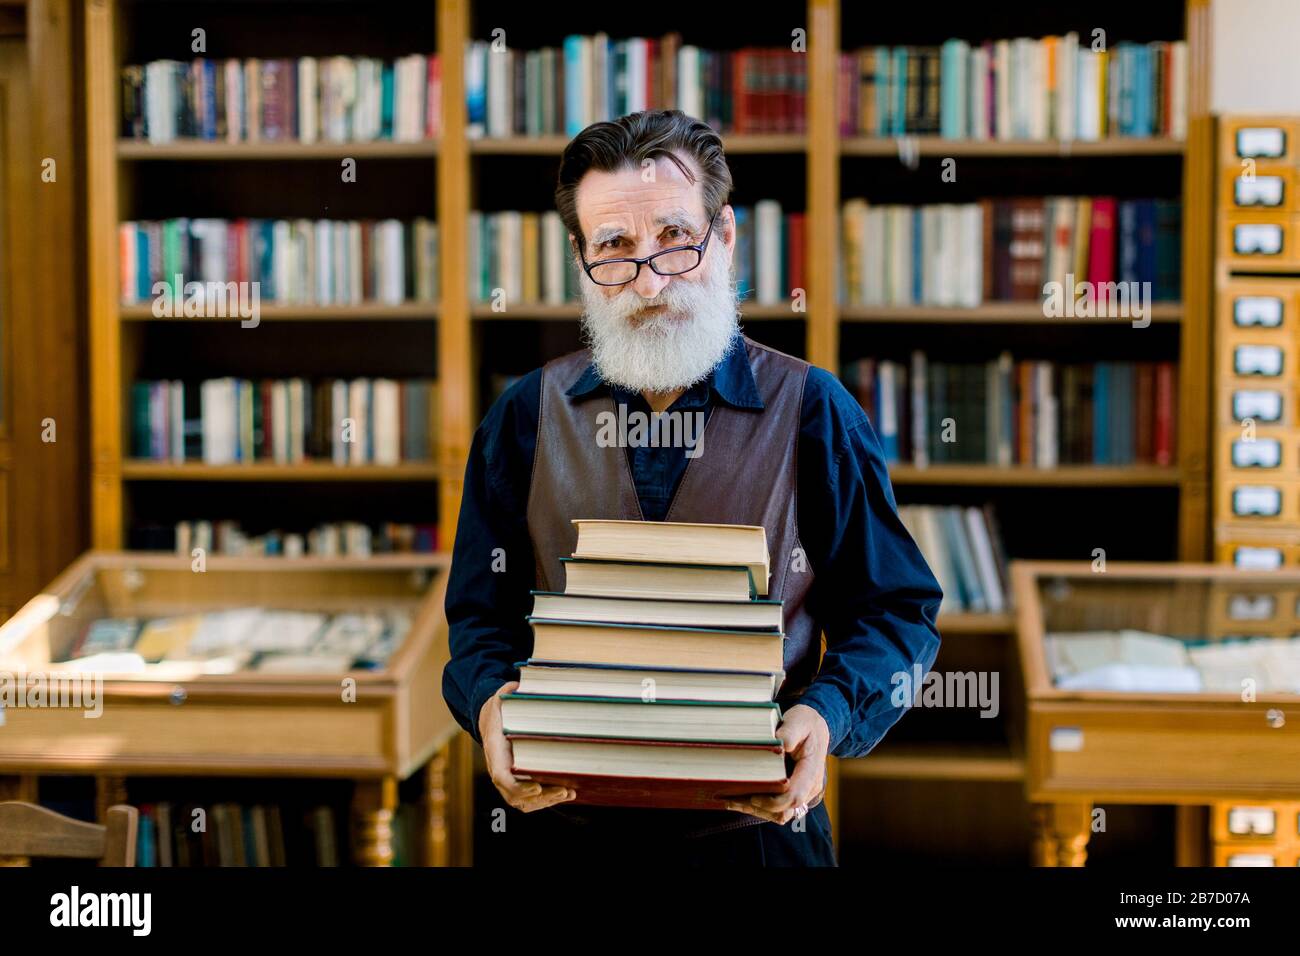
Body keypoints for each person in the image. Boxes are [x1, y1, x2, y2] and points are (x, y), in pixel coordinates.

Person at [443, 109, 942, 866]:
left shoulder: (815, 411)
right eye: (615, 247)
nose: (649, 281)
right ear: (583, 262)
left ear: (726, 236)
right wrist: (488, 703)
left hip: (759, 842)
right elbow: (480, 615)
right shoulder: (524, 417)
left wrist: (828, 712)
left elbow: (898, 613)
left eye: (676, 238)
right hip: (561, 837)